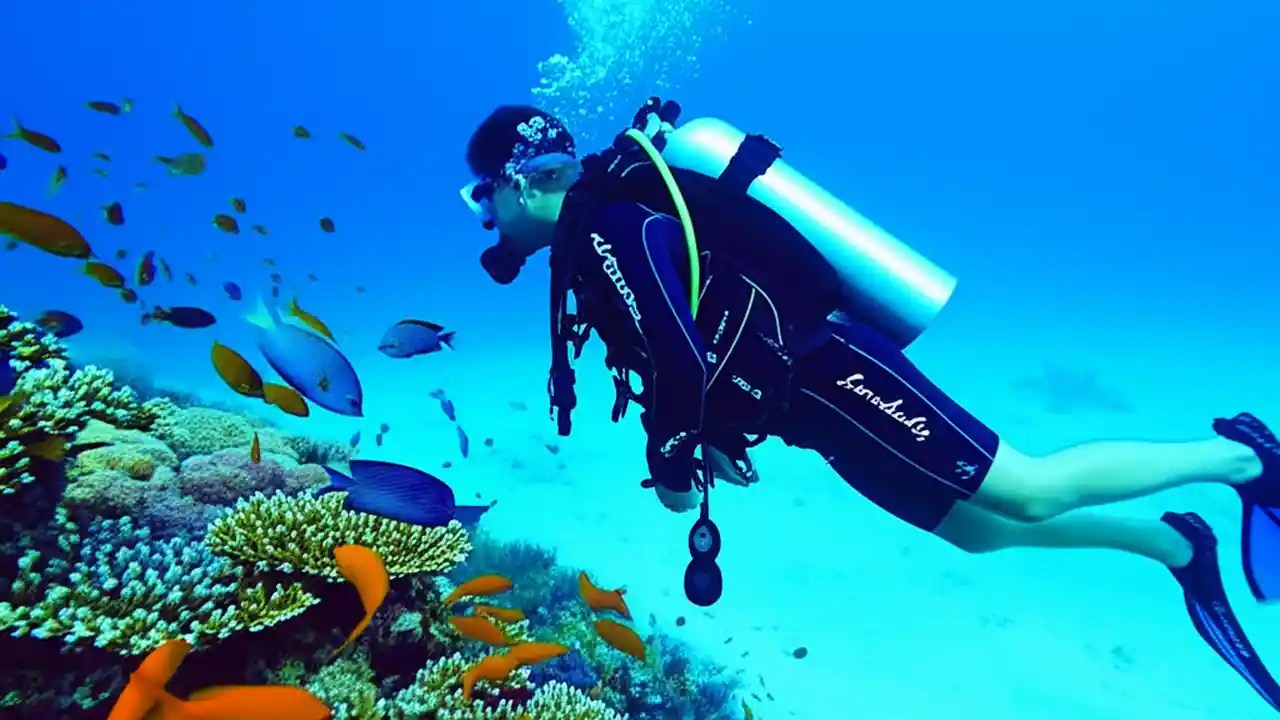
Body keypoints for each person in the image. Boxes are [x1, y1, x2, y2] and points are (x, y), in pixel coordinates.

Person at [459, 99, 1280, 711]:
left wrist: (671, 466)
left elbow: (677, 355)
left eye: (479, 199)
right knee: (979, 532)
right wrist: (710, 431)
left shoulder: (609, 228)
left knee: (1027, 490)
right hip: (811, 412)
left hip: (833, 371)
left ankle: (1243, 457)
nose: (485, 219)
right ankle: (1173, 544)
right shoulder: (602, 230)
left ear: (514, 183)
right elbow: (694, 343)